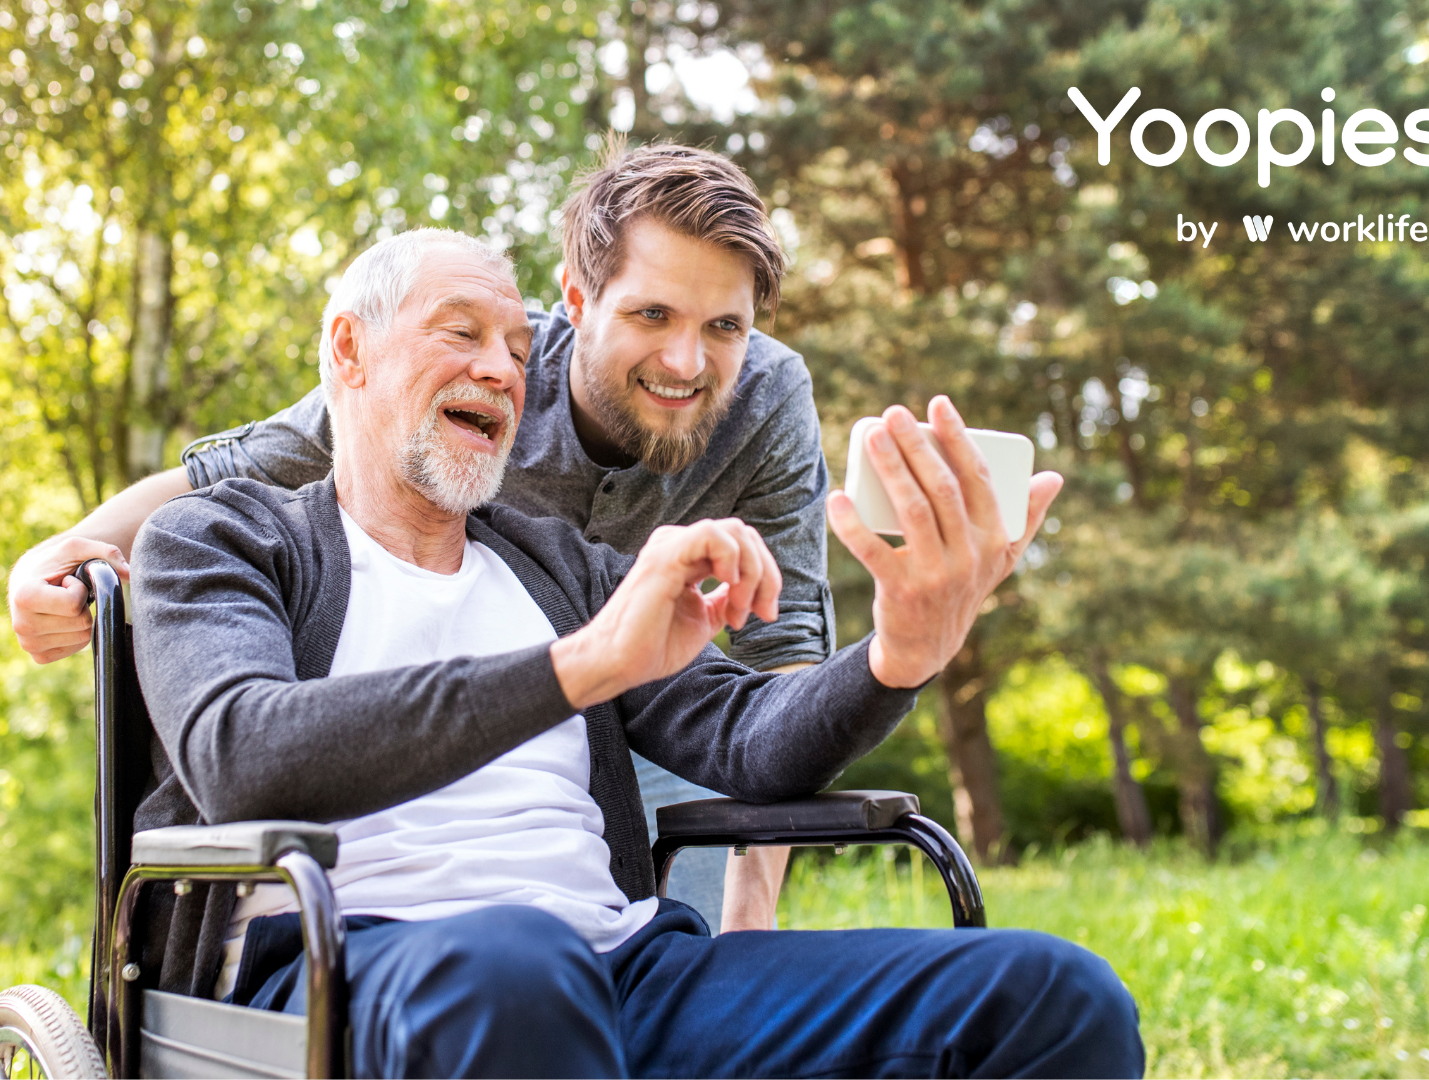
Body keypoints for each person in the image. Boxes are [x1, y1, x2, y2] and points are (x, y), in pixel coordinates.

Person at [126, 228, 1140, 1078]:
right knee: (518, 965)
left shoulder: (566, 569)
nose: (501, 369)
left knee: (1053, 997)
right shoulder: (224, 540)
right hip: (345, 978)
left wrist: (900, 654)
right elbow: (242, 756)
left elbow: (751, 743)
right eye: (462, 333)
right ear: (349, 350)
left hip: (621, 971)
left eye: (520, 350)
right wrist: (581, 668)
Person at [10, 143, 835, 931]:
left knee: (676, 941)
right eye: (651, 313)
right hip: (455, 704)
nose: (687, 360)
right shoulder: (481, 371)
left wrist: (751, 913)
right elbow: (234, 467)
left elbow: (781, 646)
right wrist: (64, 553)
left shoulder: (766, 399)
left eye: (725, 327)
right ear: (577, 306)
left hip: (652, 703)